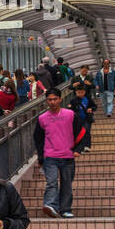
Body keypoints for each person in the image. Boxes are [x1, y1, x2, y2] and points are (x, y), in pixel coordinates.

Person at [34, 88, 85, 218]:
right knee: (51, 182)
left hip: (68, 156)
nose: (52, 102)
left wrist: (78, 149)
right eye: (50, 100)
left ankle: (65, 209)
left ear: (60, 99)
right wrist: (41, 158)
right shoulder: (42, 118)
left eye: (55, 99)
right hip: (50, 157)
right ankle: (50, 205)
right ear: (46, 101)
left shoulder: (70, 114)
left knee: (66, 183)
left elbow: (81, 132)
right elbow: (38, 139)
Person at [68, 80, 95, 152]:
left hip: (87, 118)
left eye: (82, 92)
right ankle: (81, 147)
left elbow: (94, 106)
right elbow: (71, 110)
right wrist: (70, 108)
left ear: (85, 92)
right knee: (79, 133)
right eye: (78, 92)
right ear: (76, 92)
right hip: (77, 119)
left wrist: (91, 108)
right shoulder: (73, 100)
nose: (80, 94)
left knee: (86, 131)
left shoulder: (88, 99)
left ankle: (87, 146)